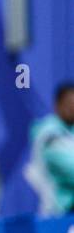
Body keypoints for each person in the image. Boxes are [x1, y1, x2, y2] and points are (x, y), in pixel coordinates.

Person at [28, 82, 74, 215]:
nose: (73, 108)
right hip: (56, 213)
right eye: (69, 103)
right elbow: (70, 169)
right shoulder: (48, 133)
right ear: (57, 106)